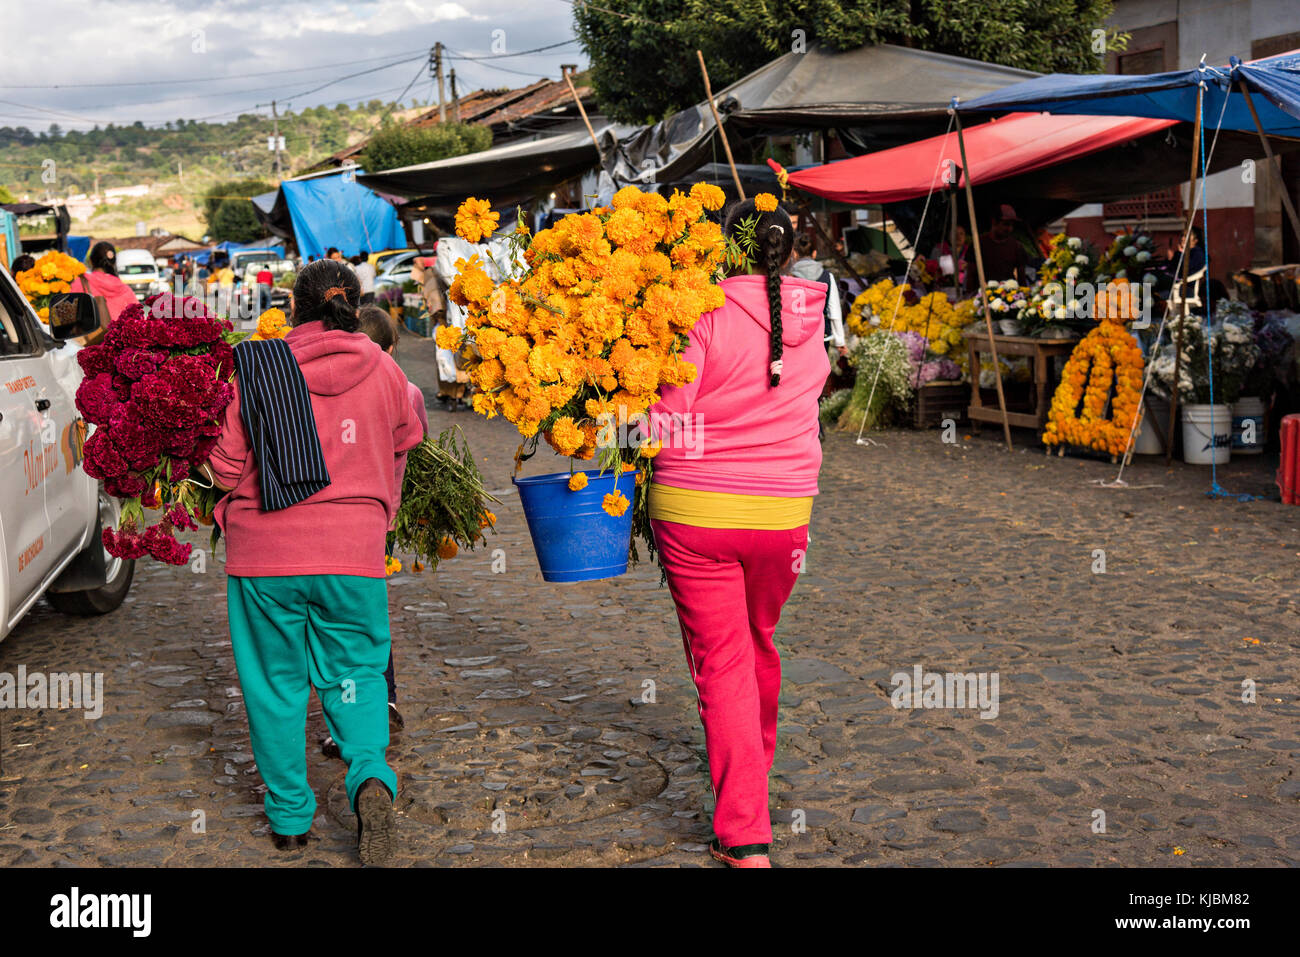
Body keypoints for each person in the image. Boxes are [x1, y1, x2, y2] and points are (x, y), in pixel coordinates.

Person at [205, 259, 423, 864]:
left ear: (293, 308)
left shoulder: (259, 368)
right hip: (353, 552)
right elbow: (408, 437)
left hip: (266, 556)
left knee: (274, 685)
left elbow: (224, 468)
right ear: (356, 306)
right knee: (354, 673)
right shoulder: (384, 369)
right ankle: (370, 777)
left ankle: (290, 819)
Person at [646, 195, 829, 868]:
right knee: (758, 645)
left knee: (722, 662)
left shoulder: (702, 311)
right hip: (784, 516)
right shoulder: (813, 319)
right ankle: (751, 771)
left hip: (696, 514)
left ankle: (746, 832)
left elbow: (666, 423)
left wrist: (617, 422)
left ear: (727, 248)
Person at [70, 242, 138, 324]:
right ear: (114, 262)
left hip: (90, 336)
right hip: (118, 336)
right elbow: (138, 321)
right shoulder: (125, 289)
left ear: (91, 261)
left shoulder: (80, 283)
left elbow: (67, 315)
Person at [979, 204, 1030, 284]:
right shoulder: (980, 244)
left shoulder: (1016, 246)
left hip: (1009, 292)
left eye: (1012, 225)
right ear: (994, 222)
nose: (1009, 229)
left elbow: (1021, 276)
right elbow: (971, 275)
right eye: (1006, 224)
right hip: (983, 292)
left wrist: (1023, 293)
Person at [932, 223, 972, 294]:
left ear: (965, 237)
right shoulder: (939, 249)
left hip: (965, 291)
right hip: (942, 291)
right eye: (954, 233)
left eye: (961, 234)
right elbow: (932, 269)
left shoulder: (971, 251)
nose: (958, 236)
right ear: (948, 236)